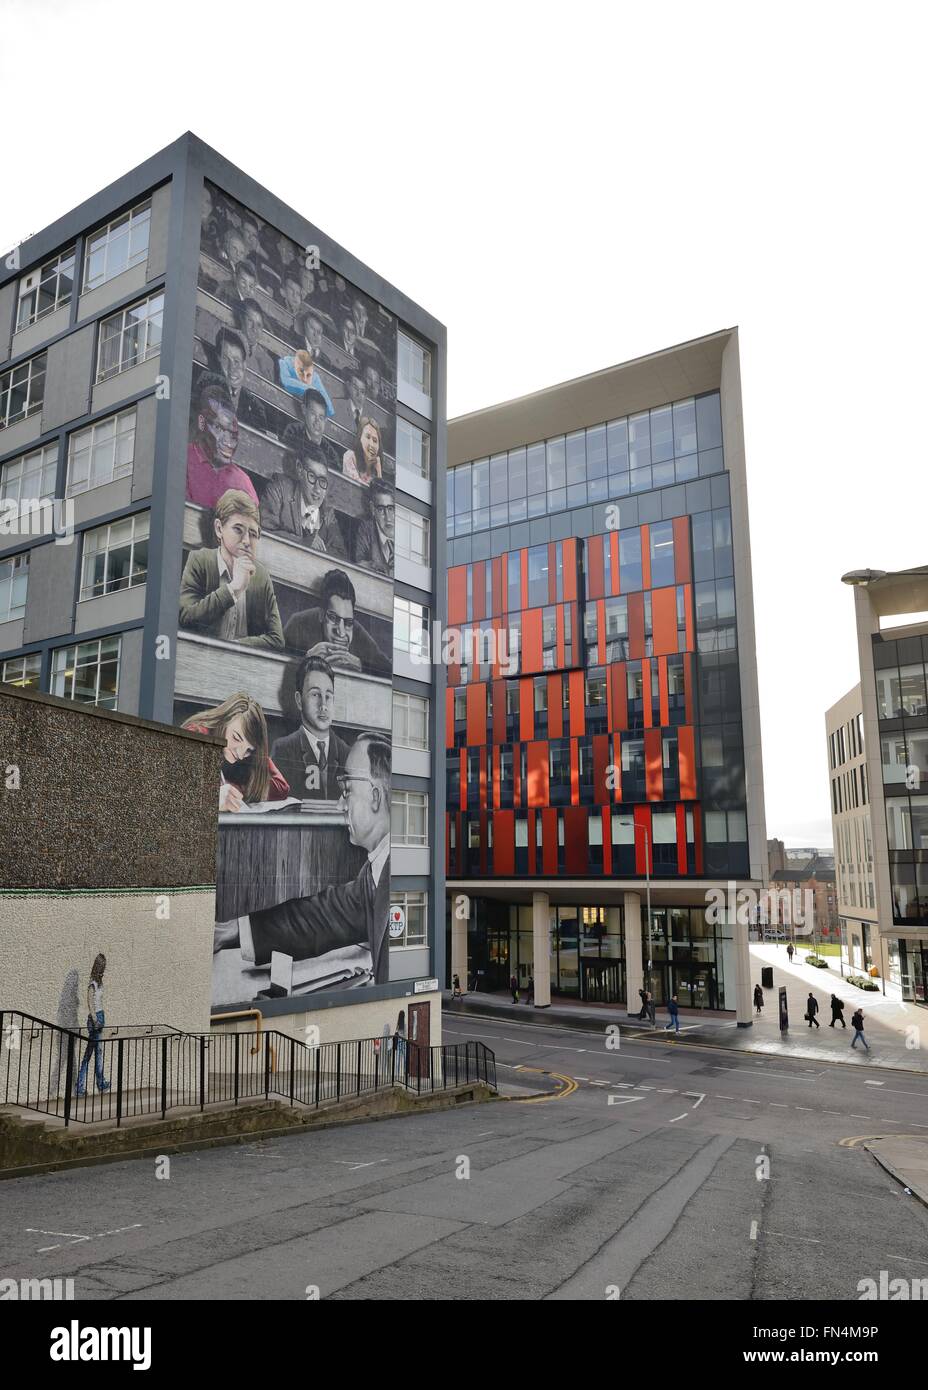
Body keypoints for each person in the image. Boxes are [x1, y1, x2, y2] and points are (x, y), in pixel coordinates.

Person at [213, 732, 393, 984]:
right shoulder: (375, 872)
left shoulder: (393, 872)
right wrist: (234, 930)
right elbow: (318, 917)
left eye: (347, 791)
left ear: (374, 797)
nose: (341, 805)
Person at [178, 488, 284, 649]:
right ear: (219, 529)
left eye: (253, 534)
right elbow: (186, 618)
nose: (247, 540)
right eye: (238, 529)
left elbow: (277, 640)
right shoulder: (200, 560)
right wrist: (233, 589)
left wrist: (234, 647)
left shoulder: (261, 576)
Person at [183, 693, 289, 811]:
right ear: (224, 720)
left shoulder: (247, 755)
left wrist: (238, 789)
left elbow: (282, 787)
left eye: (249, 749)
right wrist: (212, 797)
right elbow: (178, 790)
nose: (240, 754)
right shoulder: (196, 734)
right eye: (236, 738)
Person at [283, 568, 390, 676]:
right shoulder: (299, 623)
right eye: (334, 619)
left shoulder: (358, 631)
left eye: (348, 623)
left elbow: (388, 669)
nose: (342, 632)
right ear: (321, 614)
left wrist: (359, 664)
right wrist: (307, 659)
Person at [270, 655, 348, 801]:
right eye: (315, 694)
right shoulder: (283, 750)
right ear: (299, 700)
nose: (323, 705)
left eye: (328, 696)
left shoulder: (347, 753)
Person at [261, 443, 348, 555]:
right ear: (299, 469)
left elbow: (341, 554)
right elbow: (264, 531)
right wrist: (302, 542)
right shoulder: (280, 487)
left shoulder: (328, 512)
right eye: (312, 476)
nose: (317, 489)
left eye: (322, 481)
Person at [185, 377, 259, 510]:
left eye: (233, 435)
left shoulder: (243, 482)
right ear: (202, 422)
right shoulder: (181, 458)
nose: (228, 443)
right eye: (219, 429)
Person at [209, 328, 268, 433]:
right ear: (218, 359)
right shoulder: (205, 383)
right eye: (225, 359)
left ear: (244, 365)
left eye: (236, 361)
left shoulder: (256, 407)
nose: (232, 368)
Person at [76, 954, 110, 1096]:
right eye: (102, 966)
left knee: (93, 1053)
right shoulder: (93, 984)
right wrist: (96, 1019)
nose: (104, 969)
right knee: (95, 1053)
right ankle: (97, 1084)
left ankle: (84, 1085)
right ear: (98, 966)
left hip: (100, 1016)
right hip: (95, 1018)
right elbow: (89, 1002)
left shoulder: (99, 983)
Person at [352, 480, 394, 574]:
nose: (388, 517)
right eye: (381, 509)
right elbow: (359, 564)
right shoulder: (366, 529)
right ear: (372, 509)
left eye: (391, 509)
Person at [298, 388, 342, 471]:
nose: (317, 421)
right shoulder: (294, 431)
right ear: (304, 410)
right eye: (313, 414)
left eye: (321, 417)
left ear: (326, 420)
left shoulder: (331, 453)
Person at [342, 417, 384, 486]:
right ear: (360, 438)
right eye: (367, 437)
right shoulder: (349, 456)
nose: (371, 444)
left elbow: (380, 494)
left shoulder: (375, 469)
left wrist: (379, 472)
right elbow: (357, 487)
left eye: (375, 441)